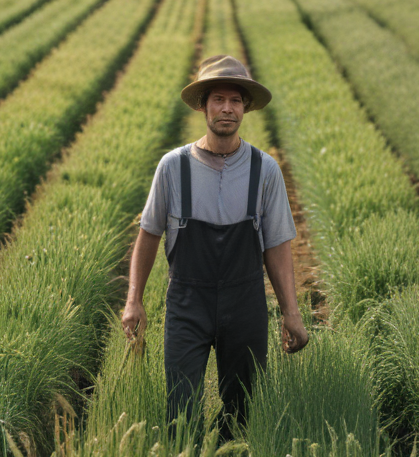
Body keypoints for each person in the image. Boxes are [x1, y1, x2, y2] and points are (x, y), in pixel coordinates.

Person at [122, 55, 309, 436]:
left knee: (243, 410)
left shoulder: (264, 170)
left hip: (246, 303)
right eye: (219, 99)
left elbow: (276, 246)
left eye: (236, 100)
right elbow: (149, 235)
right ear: (203, 106)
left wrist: (291, 312)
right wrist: (133, 299)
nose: (227, 108)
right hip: (187, 304)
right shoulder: (173, 167)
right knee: (181, 411)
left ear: (245, 108)